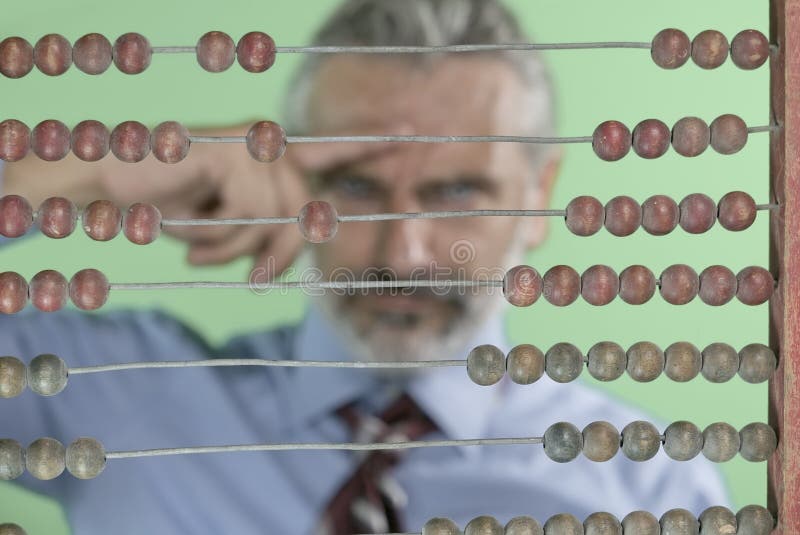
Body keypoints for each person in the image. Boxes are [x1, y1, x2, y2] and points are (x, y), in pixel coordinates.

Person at [0, 1, 728, 534]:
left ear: (539, 196)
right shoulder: (110, 395)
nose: (402, 254)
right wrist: (94, 166)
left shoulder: (651, 489)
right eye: (355, 186)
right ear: (293, 177)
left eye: (456, 191)